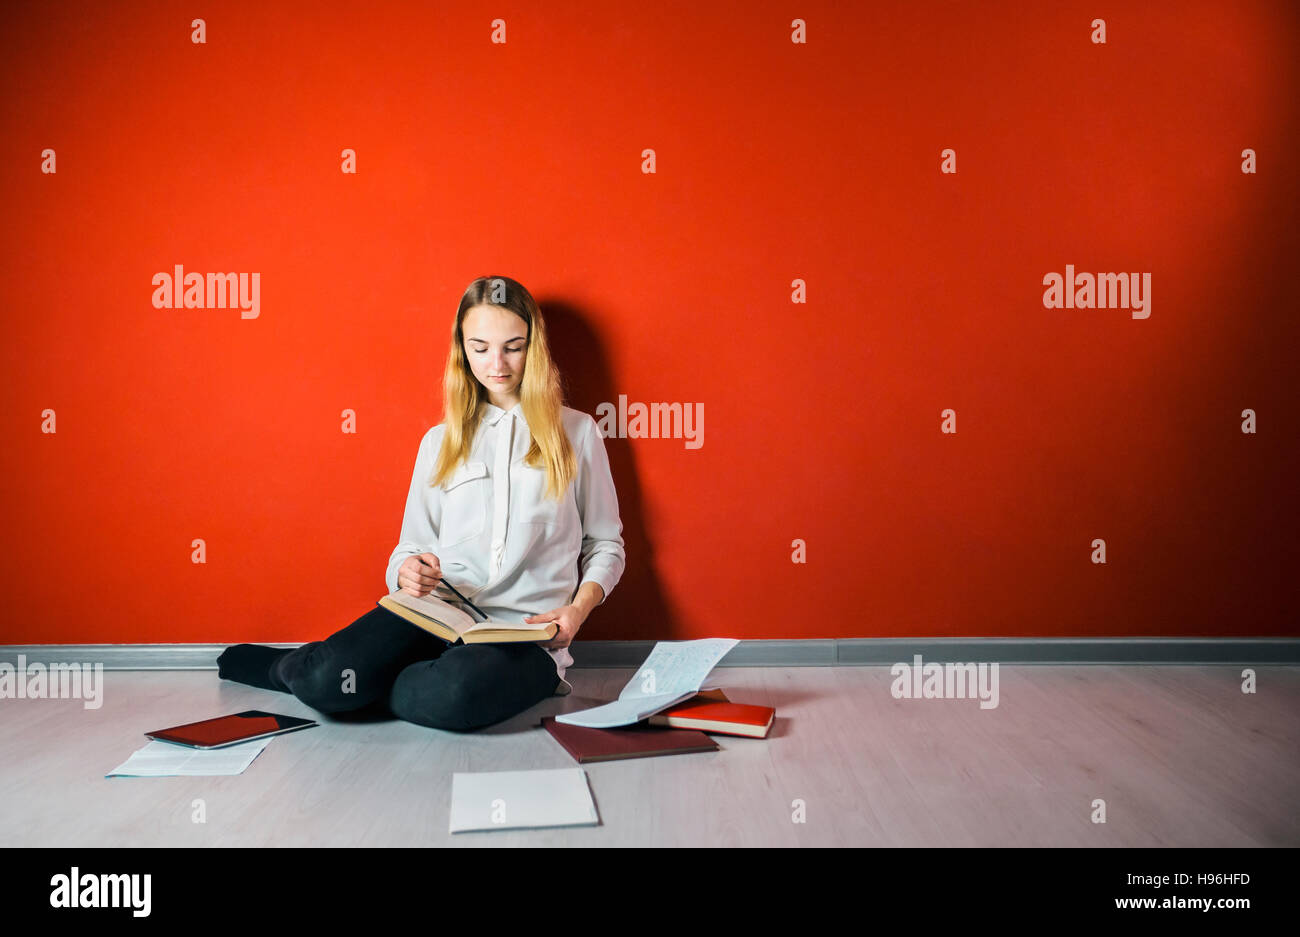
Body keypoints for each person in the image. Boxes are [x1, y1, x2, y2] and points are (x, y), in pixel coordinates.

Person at [216, 275, 626, 731]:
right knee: (324, 680)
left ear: (535, 347)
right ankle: (305, 669)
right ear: (462, 350)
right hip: (435, 615)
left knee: (455, 697)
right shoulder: (439, 442)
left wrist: (578, 609)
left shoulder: (578, 432)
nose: (497, 364)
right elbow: (407, 550)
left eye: (514, 346)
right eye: (480, 347)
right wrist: (407, 571)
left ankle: (365, 682)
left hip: (523, 639)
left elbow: (606, 544)